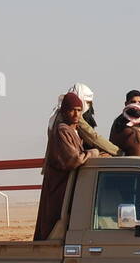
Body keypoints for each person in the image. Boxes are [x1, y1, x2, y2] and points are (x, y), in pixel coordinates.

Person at [34, 92, 102, 240]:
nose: (76, 113)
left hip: (68, 186)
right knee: (55, 226)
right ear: (65, 111)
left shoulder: (74, 131)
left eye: (79, 110)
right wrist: (92, 153)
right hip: (59, 186)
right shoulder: (62, 130)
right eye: (72, 110)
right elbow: (73, 159)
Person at [47, 83, 120, 157]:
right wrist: (118, 152)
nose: (88, 106)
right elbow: (93, 137)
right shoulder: (71, 118)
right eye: (87, 102)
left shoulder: (57, 115)